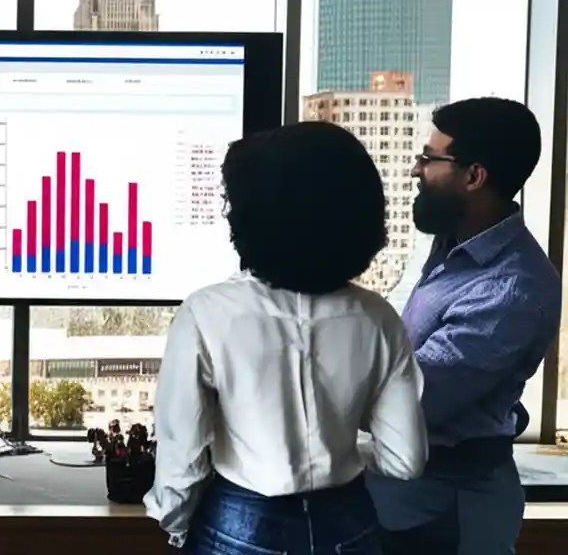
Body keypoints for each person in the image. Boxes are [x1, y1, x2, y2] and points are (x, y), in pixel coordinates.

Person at [145, 121, 428, 554]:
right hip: (350, 523)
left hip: (241, 524)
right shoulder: (378, 317)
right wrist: (339, 455)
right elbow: (406, 461)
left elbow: (181, 458)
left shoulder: (207, 313)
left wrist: (176, 524)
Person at [366, 98, 561, 554]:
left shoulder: (511, 289)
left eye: (430, 159)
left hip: (444, 514)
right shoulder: (451, 244)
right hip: (410, 499)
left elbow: (413, 400)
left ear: (474, 176)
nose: (416, 170)